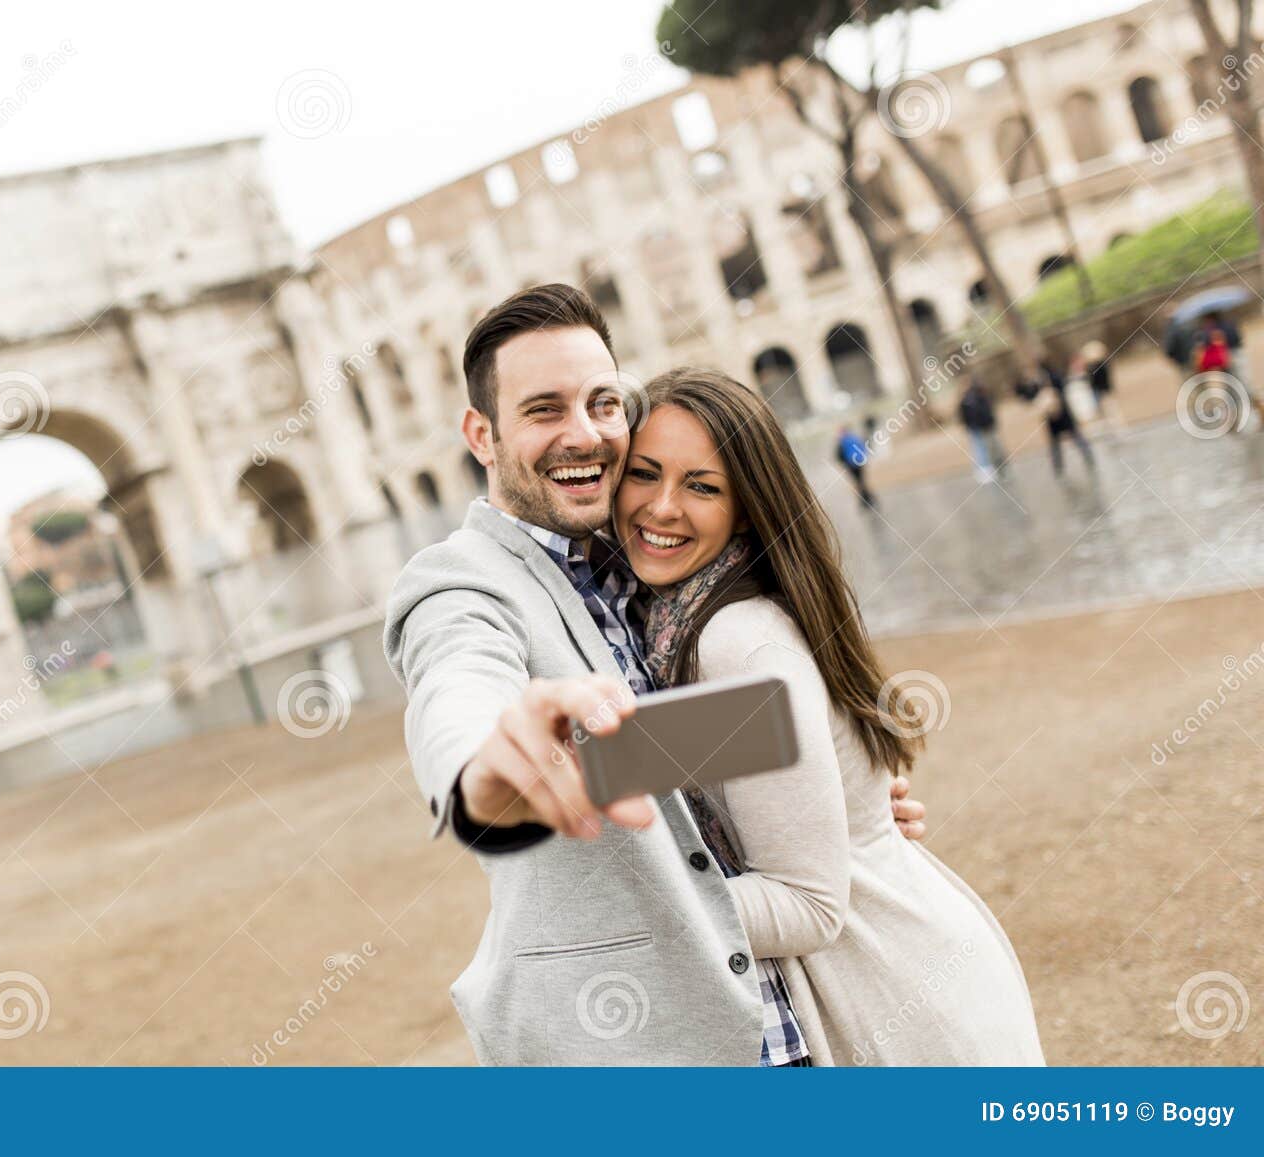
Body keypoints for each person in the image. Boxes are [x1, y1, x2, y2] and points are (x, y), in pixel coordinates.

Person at [384, 284, 929, 1066]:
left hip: (776, 1035)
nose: (582, 434)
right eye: (543, 410)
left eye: (602, 403)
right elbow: (456, 679)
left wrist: (842, 802)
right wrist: (480, 765)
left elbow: (686, 762)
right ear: (482, 435)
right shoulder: (459, 586)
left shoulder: (643, 567)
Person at [612, 367, 1045, 1064]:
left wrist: (627, 913)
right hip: (909, 971)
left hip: (901, 1011)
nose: (661, 507)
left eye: (702, 485)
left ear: (746, 509)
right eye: (644, 473)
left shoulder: (735, 643)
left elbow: (810, 902)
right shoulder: (675, 620)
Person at [1020, 361, 1094, 478]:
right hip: (1052, 419)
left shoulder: (1052, 378)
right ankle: (1059, 466)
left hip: (1062, 415)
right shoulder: (1037, 383)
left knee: (1074, 437)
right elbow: (1028, 397)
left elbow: (1061, 388)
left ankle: (1086, 456)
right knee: (1057, 443)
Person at [956, 376, 1005, 481]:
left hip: (986, 425)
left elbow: (988, 409)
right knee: (980, 449)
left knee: (991, 447)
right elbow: (964, 415)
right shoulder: (966, 400)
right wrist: (971, 425)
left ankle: (997, 468)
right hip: (976, 428)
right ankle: (985, 470)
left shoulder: (981, 396)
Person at [1079, 339, 1124, 437]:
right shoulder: (1098, 366)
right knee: (1103, 412)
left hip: (1103, 391)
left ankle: (1117, 430)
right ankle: (1110, 430)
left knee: (1109, 411)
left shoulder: (1099, 366)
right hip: (1100, 392)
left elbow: (1094, 379)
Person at [835, 424, 876, 508]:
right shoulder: (855, 438)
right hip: (860, 462)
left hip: (851, 465)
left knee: (858, 482)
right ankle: (868, 498)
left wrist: (845, 463)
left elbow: (839, 456)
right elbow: (864, 447)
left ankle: (865, 500)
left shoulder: (842, 442)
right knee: (862, 480)